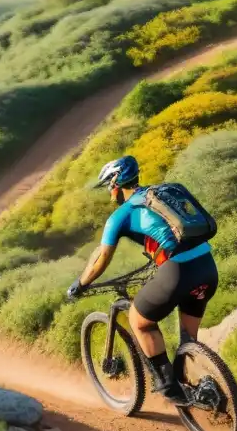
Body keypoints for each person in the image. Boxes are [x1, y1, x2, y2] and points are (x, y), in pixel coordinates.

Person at [66, 155, 219, 407]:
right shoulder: (160, 194)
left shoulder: (121, 214)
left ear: (116, 183)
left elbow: (101, 258)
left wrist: (80, 284)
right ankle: (204, 386)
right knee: (189, 339)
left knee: (140, 322)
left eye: (108, 186)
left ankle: (169, 389)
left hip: (178, 271)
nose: (109, 192)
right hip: (206, 265)